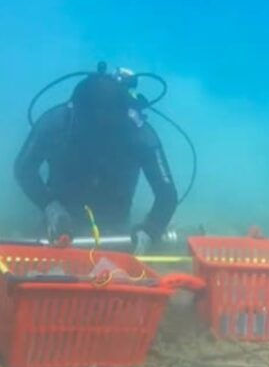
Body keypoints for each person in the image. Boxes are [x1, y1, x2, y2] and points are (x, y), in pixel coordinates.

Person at [14, 69, 178, 254]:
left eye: (107, 128)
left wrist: (152, 228)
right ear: (75, 112)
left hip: (115, 224)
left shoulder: (138, 134)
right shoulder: (57, 123)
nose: (98, 137)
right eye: (92, 127)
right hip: (61, 219)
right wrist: (50, 207)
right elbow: (24, 169)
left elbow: (167, 194)